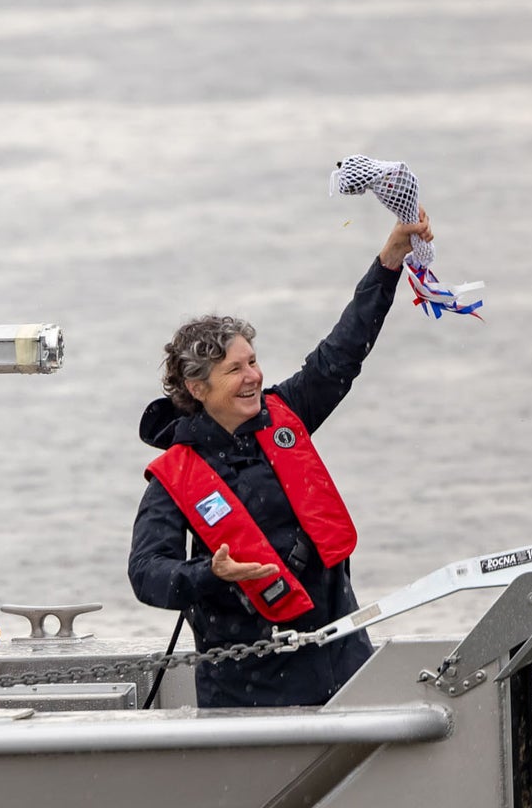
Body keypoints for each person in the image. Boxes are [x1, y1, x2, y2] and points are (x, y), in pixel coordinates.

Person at [127, 212, 432, 708]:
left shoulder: (285, 414)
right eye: (235, 370)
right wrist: (210, 574)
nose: (252, 376)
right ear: (198, 388)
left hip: (342, 662)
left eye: (253, 361)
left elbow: (342, 353)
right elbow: (146, 573)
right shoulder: (173, 479)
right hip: (249, 690)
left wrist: (391, 260)